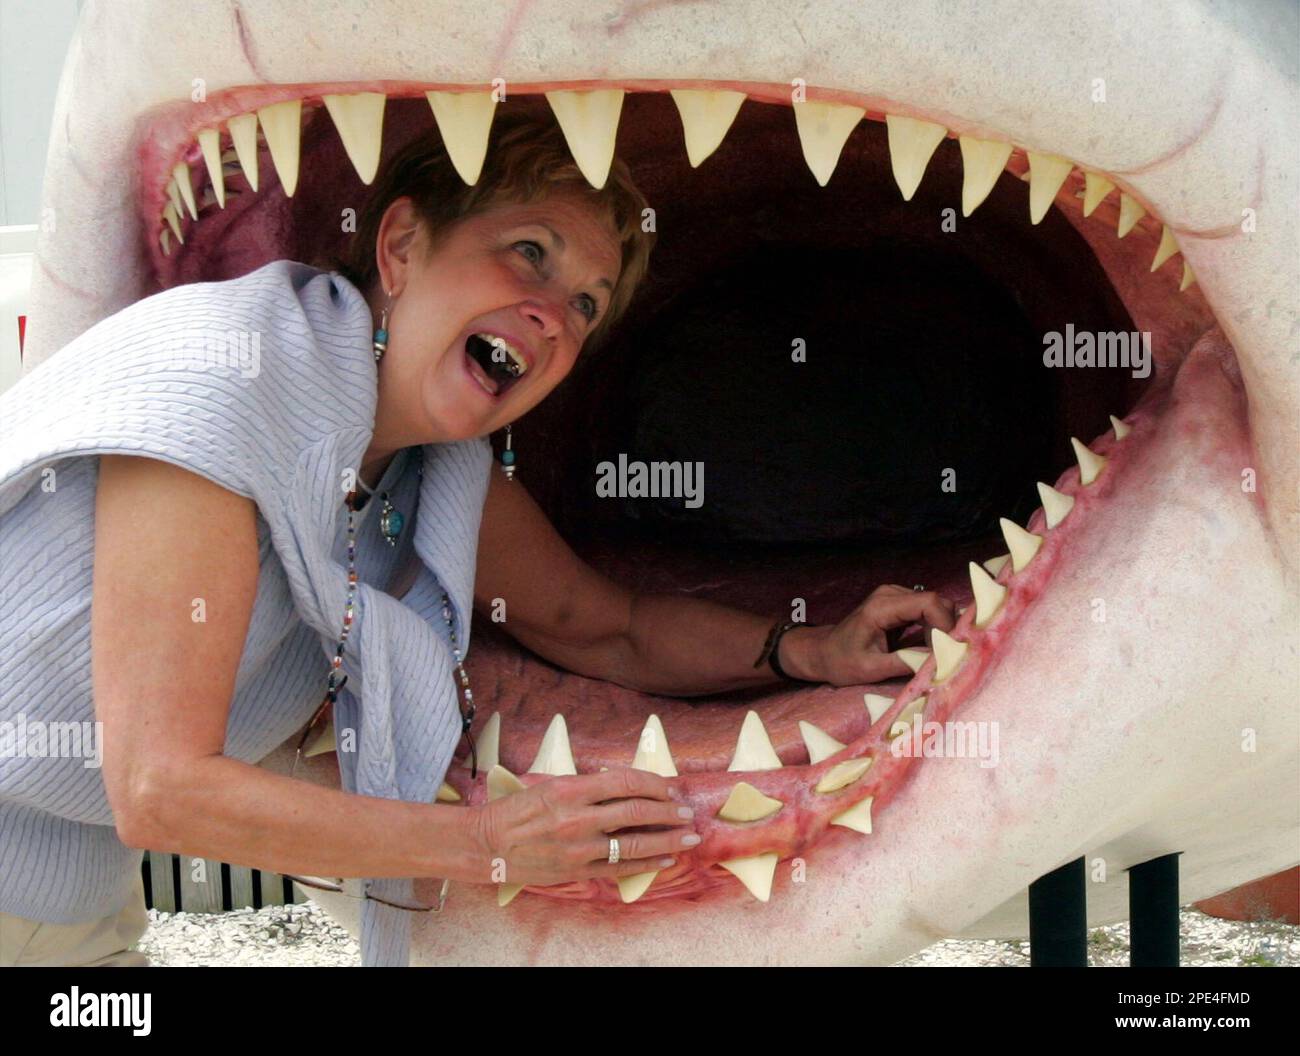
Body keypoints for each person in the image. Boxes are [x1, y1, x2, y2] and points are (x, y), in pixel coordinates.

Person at [0, 110, 954, 967]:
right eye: (529, 253)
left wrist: (805, 647)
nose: (554, 312)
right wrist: (488, 843)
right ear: (404, 245)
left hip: (60, 896)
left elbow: (601, 624)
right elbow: (160, 786)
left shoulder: (428, 467)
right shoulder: (224, 379)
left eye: (587, 302)